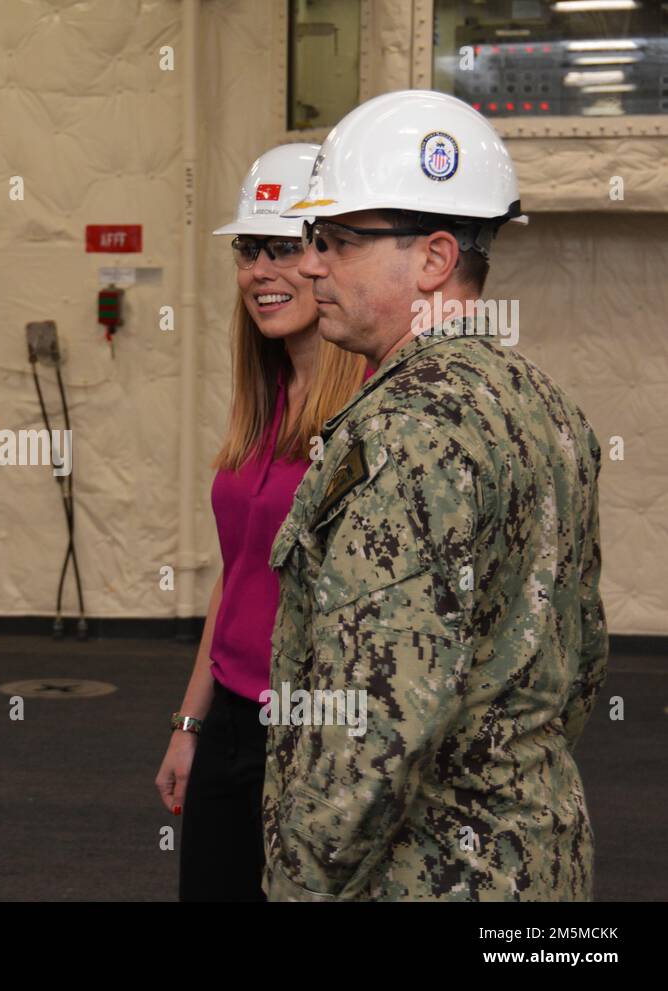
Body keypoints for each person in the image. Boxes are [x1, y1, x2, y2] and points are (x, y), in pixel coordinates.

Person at [265, 89, 607, 900]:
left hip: (424, 876)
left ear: (434, 258)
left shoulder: (406, 432)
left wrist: (300, 886)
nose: (310, 263)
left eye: (340, 240)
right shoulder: (547, 406)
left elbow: (372, 730)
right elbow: (581, 659)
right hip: (541, 861)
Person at [154, 144, 367, 901]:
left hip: (314, 729)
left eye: (283, 247)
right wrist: (190, 721)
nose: (259, 271)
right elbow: (238, 570)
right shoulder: (267, 396)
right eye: (250, 250)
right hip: (231, 719)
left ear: (327, 255)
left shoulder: (368, 411)